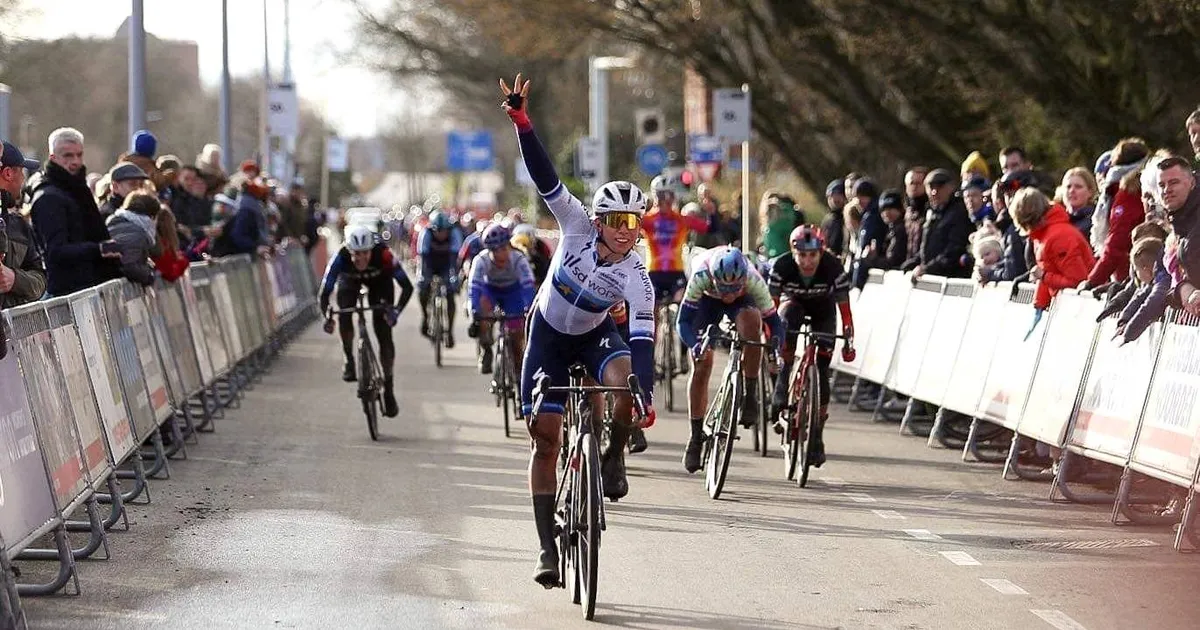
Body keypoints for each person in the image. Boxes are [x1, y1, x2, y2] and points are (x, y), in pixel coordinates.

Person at [501, 74, 656, 587]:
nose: (623, 232)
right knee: (545, 442)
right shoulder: (574, 225)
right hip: (547, 334)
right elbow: (546, 176)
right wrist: (524, 123)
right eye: (616, 220)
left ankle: (612, 457)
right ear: (600, 218)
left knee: (625, 379)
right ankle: (547, 549)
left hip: (593, 336)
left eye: (633, 224)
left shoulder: (636, 273)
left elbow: (642, 336)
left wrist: (646, 392)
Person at [676, 246, 784, 472]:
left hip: (743, 305)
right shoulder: (701, 276)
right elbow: (682, 322)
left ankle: (750, 393)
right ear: (714, 279)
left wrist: (775, 350)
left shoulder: (753, 280)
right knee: (702, 364)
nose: (728, 295)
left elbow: (774, 323)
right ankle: (695, 437)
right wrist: (695, 346)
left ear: (743, 280)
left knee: (752, 328)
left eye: (734, 288)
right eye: (724, 289)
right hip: (706, 303)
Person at [768, 225, 855, 467]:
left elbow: (845, 312)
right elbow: (771, 312)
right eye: (802, 255)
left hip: (822, 308)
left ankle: (817, 436)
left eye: (813, 255)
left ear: (822, 252)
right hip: (792, 304)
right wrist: (772, 343)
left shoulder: (834, 268)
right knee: (785, 326)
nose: (807, 261)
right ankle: (783, 382)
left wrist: (848, 341)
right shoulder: (781, 266)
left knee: (823, 369)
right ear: (793, 253)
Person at [319, 225, 414, 418]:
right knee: (344, 314)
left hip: (380, 283)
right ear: (349, 251)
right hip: (349, 282)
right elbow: (325, 292)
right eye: (356, 254)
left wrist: (395, 311)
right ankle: (349, 358)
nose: (360, 259)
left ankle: (388, 388)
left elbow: (407, 286)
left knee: (384, 333)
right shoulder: (341, 257)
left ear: (372, 250)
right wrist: (327, 315)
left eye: (365, 254)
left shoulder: (384, 255)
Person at [28, 127, 122, 297]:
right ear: (53, 158)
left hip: (87, 288)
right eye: (68, 155)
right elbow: (55, 252)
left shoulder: (78, 190)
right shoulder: (48, 198)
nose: (76, 161)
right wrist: (98, 249)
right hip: (67, 293)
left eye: (79, 155)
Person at [1011, 188, 1096, 332]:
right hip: (1071, 310)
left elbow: (1078, 281)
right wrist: (1039, 304)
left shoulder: (1058, 237)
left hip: (1084, 312)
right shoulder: (1042, 236)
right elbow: (1048, 270)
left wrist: (1043, 276)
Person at [467, 224, 536, 374]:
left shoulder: (519, 259)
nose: (501, 255)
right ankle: (486, 348)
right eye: (495, 251)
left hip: (513, 292)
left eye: (504, 249)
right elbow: (474, 287)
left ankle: (518, 373)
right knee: (483, 315)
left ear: (509, 246)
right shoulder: (481, 260)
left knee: (516, 337)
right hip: (490, 290)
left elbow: (528, 286)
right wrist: (474, 311)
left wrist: (528, 307)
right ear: (489, 250)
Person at [1085, 139, 1149, 288]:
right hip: (1139, 273)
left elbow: (1117, 241)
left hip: (1134, 275)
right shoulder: (1140, 185)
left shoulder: (1129, 191)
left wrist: (1093, 280)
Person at [641, 172, 712, 306]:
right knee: (651, 305)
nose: (665, 200)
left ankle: (677, 325)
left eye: (669, 196)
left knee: (684, 301)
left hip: (676, 272)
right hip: (654, 272)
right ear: (655, 197)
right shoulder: (647, 220)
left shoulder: (681, 220)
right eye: (661, 196)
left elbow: (708, 228)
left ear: (674, 197)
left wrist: (710, 212)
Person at [0, 142, 46, 310]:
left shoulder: (19, 225)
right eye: (22, 172)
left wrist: (15, 280)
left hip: (13, 333)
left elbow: (41, 280)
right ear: (8, 173)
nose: (24, 179)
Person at [912, 169, 972, 280]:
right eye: (931, 188)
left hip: (951, 280)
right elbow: (924, 249)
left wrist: (927, 269)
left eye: (939, 187)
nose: (934, 192)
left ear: (951, 188)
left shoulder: (959, 213)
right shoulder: (930, 213)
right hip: (930, 279)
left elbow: (954, 251)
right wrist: (910, 266)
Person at [417, 210, 463, 344]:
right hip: (430, 263)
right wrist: (424, 279)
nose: (441, 234)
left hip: (446, 264)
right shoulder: (426, 233)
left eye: (444, 231)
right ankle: (425, 317)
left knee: (450, 293)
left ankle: (449, 331)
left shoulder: (454, 233)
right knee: (423, 288)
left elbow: (455, 260)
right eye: (438, 231)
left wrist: (454, 279)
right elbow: (423, 259)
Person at [105, 191, 162, 286]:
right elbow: (128, 266)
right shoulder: (137, 234)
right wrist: (149, 274)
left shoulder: (115, 223)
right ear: (152, 217)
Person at [850, 179, 883, 288]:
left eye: (862, 196)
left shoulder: (872, 216)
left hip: (867, 265)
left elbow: (867, 240)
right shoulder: (867, 215)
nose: (858, 201)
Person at [901, 167, 929, 270]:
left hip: (922, 268)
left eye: (918, 183)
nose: (914, 187)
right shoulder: (906, 212)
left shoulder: (930, 211)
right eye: (911, 183)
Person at [1059, 167, 1098, 238]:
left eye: (1078, 187)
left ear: (1090, 192)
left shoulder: (1096, 221)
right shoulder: (1056, 220)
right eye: (1068, 187)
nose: (1072, 191)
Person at [821, 179, 847, 259]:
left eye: (839, 195)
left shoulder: (848, 218)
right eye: (831, 196)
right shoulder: (828, 220)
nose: (834, 199)